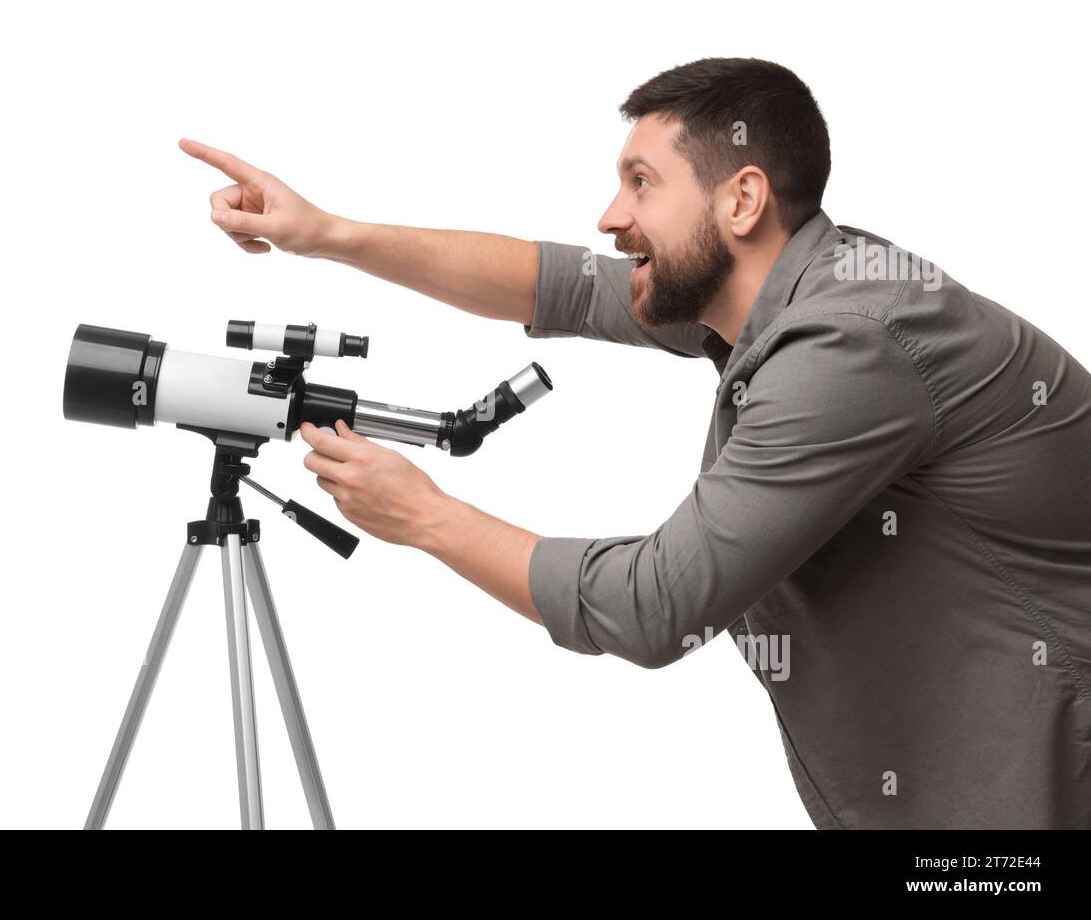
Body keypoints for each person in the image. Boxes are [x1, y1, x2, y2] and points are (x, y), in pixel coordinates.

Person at [179, 57, 1091, 829]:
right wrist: (329, 234)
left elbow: (657, 606)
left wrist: (423, 516)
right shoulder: (789, 288)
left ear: (742, 199)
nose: (611, 217)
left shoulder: (850, 343)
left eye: (641, 182)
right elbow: (565, 287)